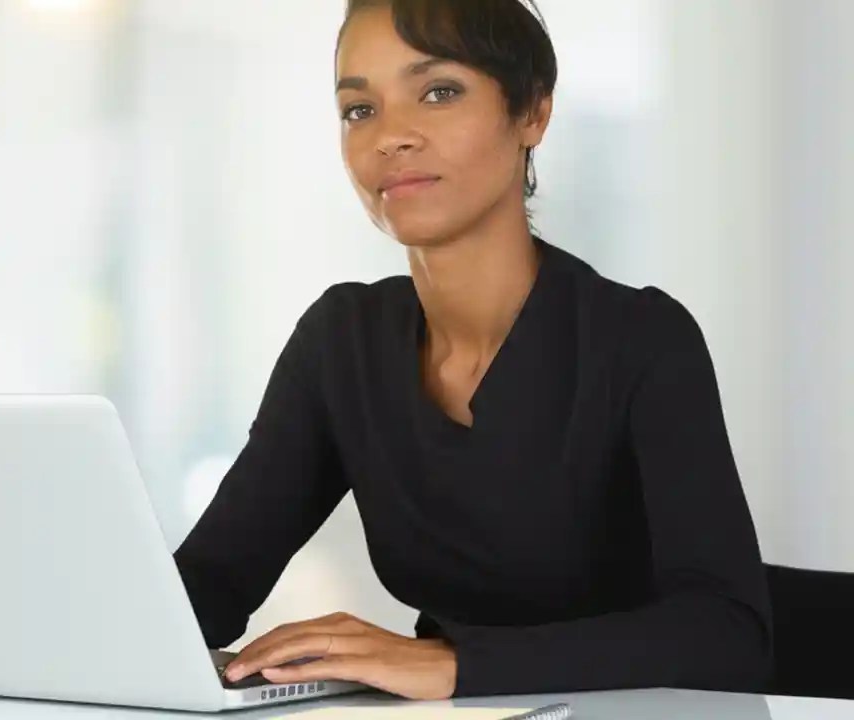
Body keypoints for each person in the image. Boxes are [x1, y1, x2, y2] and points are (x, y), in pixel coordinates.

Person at [172, 0, 772, 701]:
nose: (390, 137)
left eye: (439, 92)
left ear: (532, 114)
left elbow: (728, 634)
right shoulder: (341, 343)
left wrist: (451, 665)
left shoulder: (640, 340)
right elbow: (209, 583)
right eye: (359, 110)